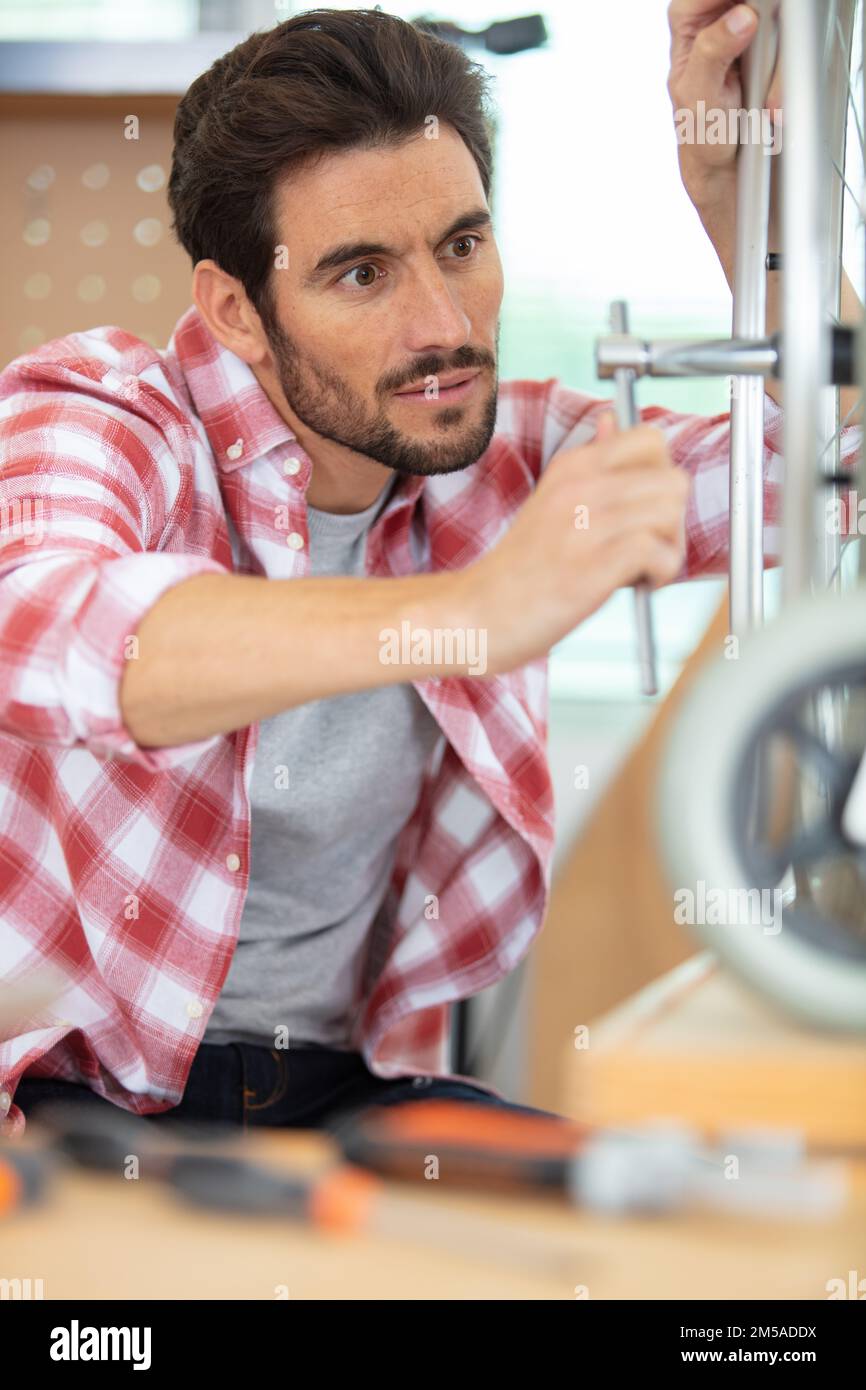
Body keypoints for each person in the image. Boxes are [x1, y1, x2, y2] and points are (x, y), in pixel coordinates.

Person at [0, 6, 857, 1136]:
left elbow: (825, 461)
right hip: (67, 1103)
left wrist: (746, 216)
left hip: (340, 1092)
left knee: (637, 1236)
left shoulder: (519, 465)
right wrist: (470, 610)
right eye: (362, 275)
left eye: (460, 245)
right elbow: (46, 626)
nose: (445, 326)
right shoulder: (106, 413)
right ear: (235, 311)